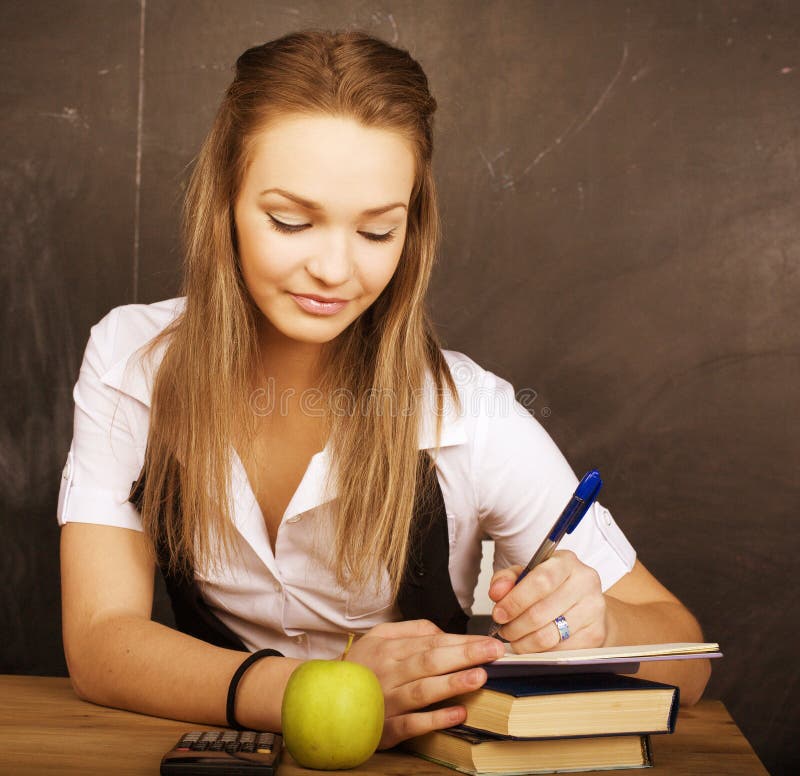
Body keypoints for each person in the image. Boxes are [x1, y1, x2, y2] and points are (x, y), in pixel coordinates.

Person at [58, 29, 710, 749]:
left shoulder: (472, 417)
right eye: (291, 221)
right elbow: (100, 639)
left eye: (376, 233)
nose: (335, 270)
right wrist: (325, 691)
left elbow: (686, 659)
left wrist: (598, 624)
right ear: (224, 202)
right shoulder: (131, 362)